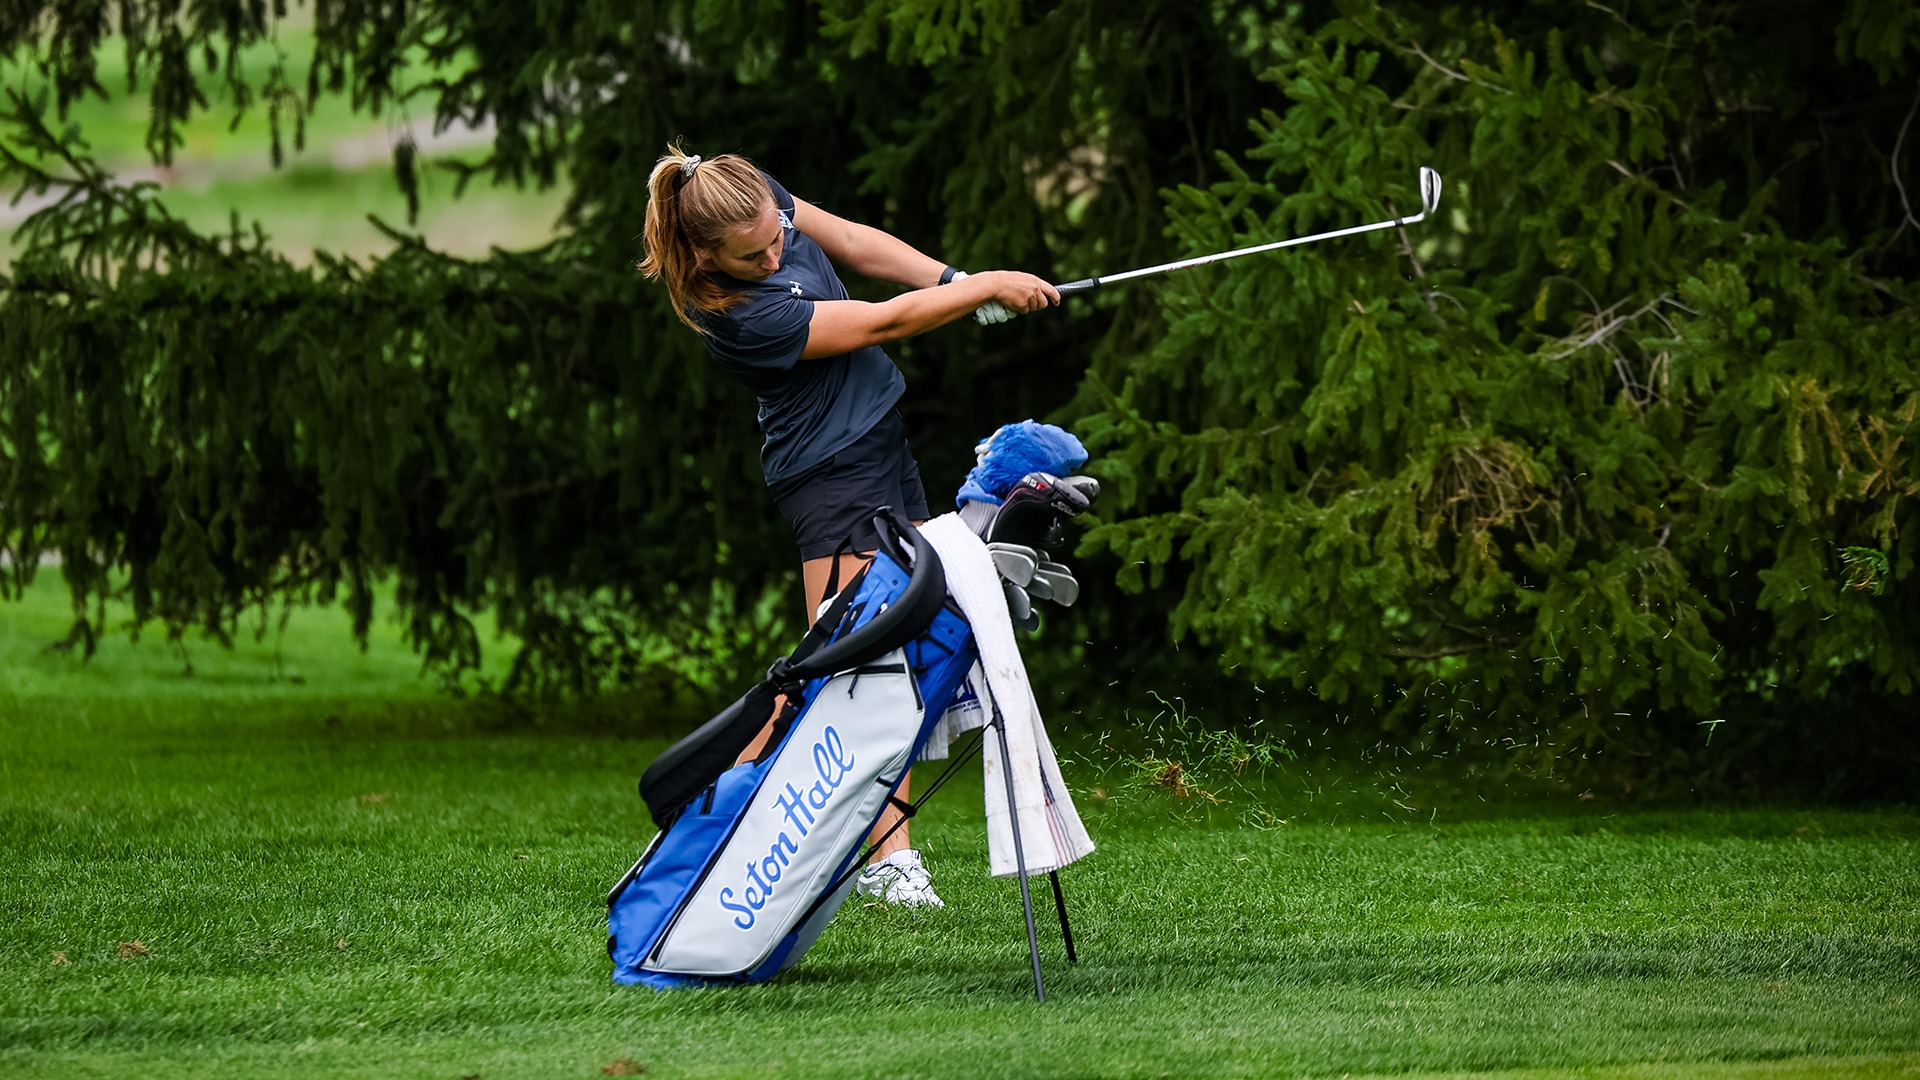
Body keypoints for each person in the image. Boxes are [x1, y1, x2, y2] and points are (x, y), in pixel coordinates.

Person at [639, 145, 1059, 908]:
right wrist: (980, 292)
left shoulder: (753, 194)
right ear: (707, 254)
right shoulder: (736, 313)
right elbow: (877, 322)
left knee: (882, 654)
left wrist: (953, 281)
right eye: (753, 253)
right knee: (842, 671)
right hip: (830, 480)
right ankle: (718, 827)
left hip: (879, 447)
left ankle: (834, 847)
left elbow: (856, 242)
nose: (775, 253)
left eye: (777, 237)